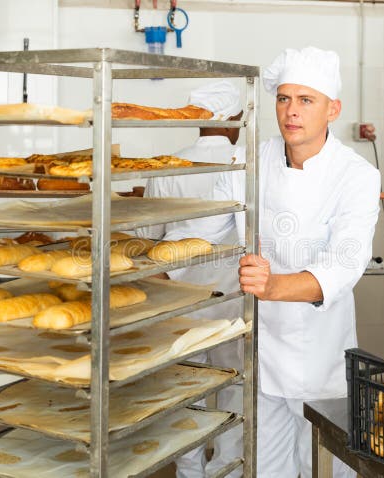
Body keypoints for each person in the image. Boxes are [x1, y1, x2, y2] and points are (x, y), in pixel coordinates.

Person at [162, 46, 381, 477]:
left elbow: (344, 262)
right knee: (262, 468)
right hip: (262, 355)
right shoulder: (250, 162)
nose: (291, 111)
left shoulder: (355, 174)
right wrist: (145, 273)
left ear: (332, 109)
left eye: (305, 100)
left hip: (321, 357)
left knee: (328, 468)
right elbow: (201, 232)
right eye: (283, 99)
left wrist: (274, 286)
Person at [137, 80, 245, 478]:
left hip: (178, 300)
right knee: (234, 388)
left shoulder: (167, 165)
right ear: (236, 117)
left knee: (185, 391)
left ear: (198, 119)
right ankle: (228, 471)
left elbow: (149, 237)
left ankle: (189, 470)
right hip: (233, 298)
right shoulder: (245, 163)